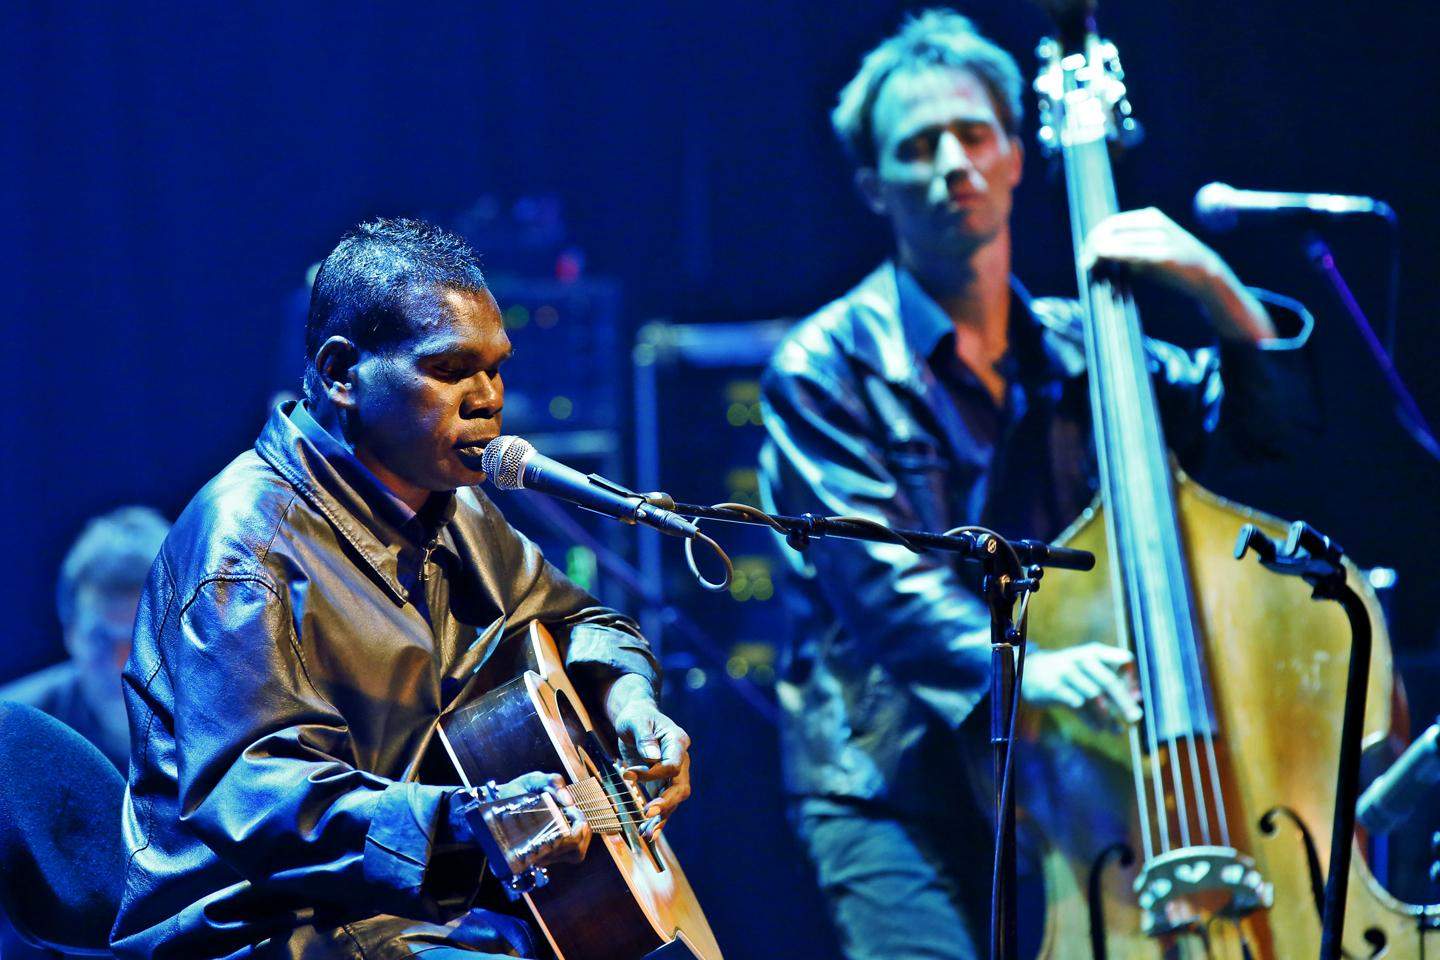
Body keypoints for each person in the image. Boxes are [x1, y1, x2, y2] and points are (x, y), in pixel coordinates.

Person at [757, 10, 1314, 960]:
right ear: (873, 187)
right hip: (897, 783)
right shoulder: (823, 365)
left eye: (973, 136)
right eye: (917, 147)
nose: (952, 165)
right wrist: (1026, 669)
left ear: (1017, 156)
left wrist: (1220, 290)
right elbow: (879, 581)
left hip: (1078, 769)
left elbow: (1275, 434)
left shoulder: (1088, 345)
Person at [111, 218, 691, 959]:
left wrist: (626, 697)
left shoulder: (455, 506)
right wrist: (471, 821)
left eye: (496, 368)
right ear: (341, 373)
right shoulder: (244, 553)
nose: (487, 398)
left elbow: (577, 620)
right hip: (274, 932)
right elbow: (259, 800)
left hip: (429, 914)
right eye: (450, 369)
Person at [0, 505, 170, 770]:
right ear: (69, 633)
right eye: (101, 639)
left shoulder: (235, 724)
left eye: (142, 638)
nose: (121, 663)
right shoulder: (10, 731)